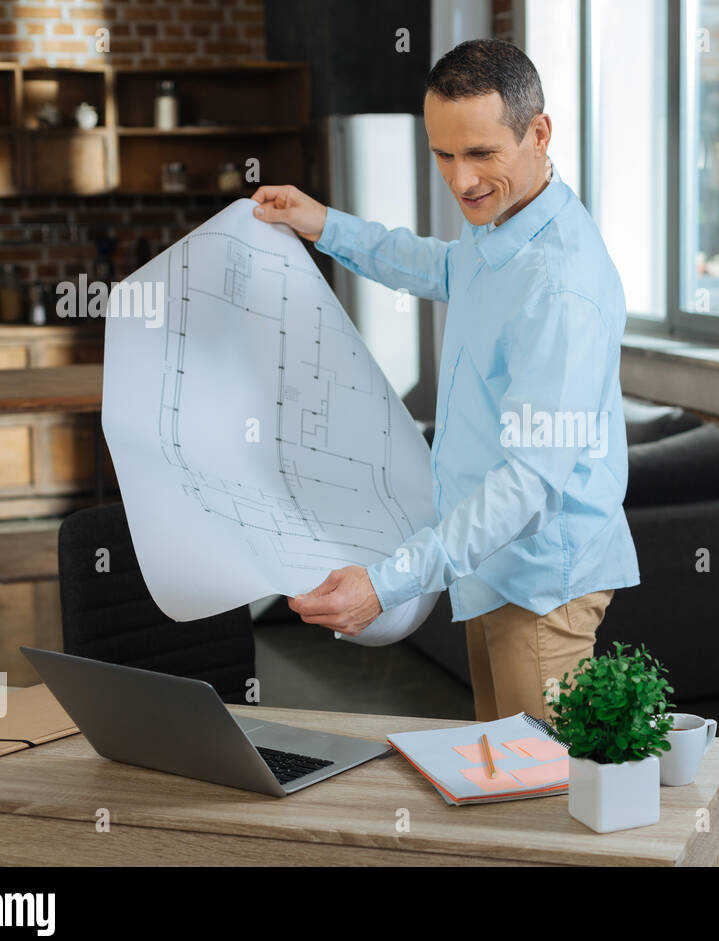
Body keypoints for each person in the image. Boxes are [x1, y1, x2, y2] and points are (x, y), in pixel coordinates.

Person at [250, 38, 638, 723]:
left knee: (538, 803)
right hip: (492, 564)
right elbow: (435, 266)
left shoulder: (561, 288)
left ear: (539, 132)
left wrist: (386, 583)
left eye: (481, 154)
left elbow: (529, 482)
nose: (461, 181)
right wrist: (322, 224)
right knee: (505, 775)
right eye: (443, 155)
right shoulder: (507, 232)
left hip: (540, 581)